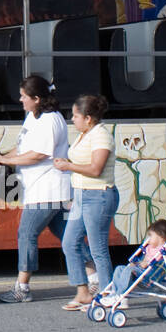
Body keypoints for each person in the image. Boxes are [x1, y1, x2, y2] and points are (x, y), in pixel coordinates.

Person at [0, 74, 83, 303]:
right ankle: (97, 277)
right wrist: (3, 157)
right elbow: (22, 149)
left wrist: (8, 162)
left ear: (37, 98)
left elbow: (39, 154)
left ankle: (22, 287)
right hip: (41, 189)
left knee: (27, 233)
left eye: (23, 96)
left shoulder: (51, 120)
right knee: (68, 237)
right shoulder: (33, 117)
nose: (20, 100)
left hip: (47, 189)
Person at [53, 94, 118, 309]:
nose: (73, 119)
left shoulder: (101, 136)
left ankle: (109, 292)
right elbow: (83, 164)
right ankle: (82, 292)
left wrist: (68, 166)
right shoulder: (85, 134)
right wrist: (68, 164)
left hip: (98, 195)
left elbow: (95, 169)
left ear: (88, 118)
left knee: (98, 248)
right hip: (82, 195)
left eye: (75, 116)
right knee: (69, 243)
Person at [108, 218, 166, 299]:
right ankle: (114, 292)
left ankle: (119, 294)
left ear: (161, 237)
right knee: (119, 268)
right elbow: (144, 261)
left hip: (149, 276)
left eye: (151, 236)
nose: (148, 239)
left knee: (129, 270)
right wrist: (136, 264)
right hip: (141, 271)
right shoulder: (149, 248)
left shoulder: (163, 250)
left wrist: (142, 265)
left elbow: (151, 263)